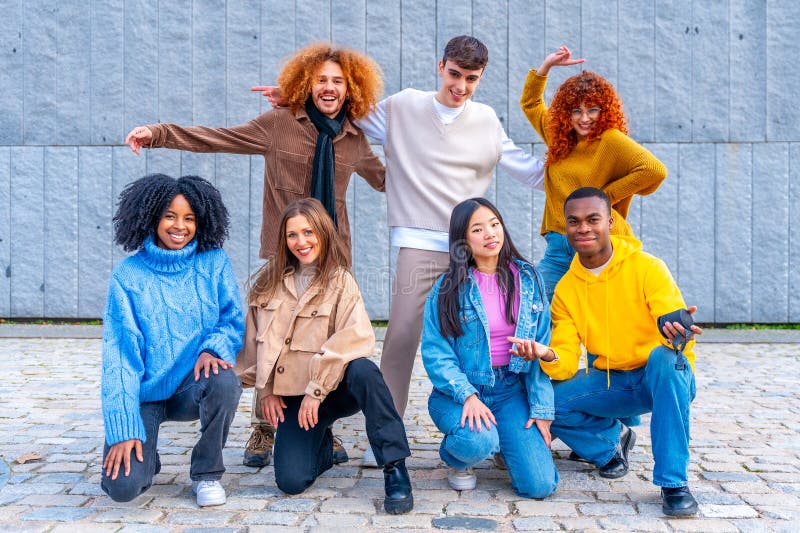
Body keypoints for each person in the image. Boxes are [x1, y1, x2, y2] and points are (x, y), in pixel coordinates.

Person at [259, 36, 546, 466]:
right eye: (454, 74)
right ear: (440, 67)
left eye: (471, 79)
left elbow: (529, 170)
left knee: (487, 333)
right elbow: (343, 110)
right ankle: (385, 438)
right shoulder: (404, 107)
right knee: (401, 338)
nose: (461, 86)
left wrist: (583, 164)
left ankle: (501, 427)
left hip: (472, 248)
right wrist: (298, 98)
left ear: (480, 77)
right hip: (420, 242)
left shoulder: (486, 120)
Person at [125, 43, 386, 468]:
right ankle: (263, 425)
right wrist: (159, 134)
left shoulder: (354, 140)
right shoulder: (279, 124)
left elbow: (388, 180)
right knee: (271, 335)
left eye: (338, 81)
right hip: (284, 253)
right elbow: (218, 139)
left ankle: (321, 423)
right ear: (306, 84)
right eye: (320, 79)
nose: (329, 87)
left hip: (333, 258)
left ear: (350, 88)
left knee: (325, 338)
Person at [235, 198, 414, 514]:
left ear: (323, 233)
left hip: (334, 390)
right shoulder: (268, 283)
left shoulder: (340, 280)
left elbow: (356, 338)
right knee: (291, 481)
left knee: (365, 370)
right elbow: (252, 345)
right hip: (293, 396)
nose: (301, 242)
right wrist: (266, 389)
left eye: (308, 232)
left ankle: (394, 467)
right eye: (292, 235)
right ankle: (322, 445)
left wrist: (316, 390)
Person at [538, 187, 702, 516]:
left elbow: (672, 321)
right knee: (549, 402)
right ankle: (611, 444)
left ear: (610, 222)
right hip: (612, 381)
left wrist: (678, 332)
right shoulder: (566, 290)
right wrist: (549, 355)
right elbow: (566, 357)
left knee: (665, 359)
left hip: (659, 377)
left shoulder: (647, 267)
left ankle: (674, 484)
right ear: (565, 226)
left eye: (593, 219)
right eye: (574, 221)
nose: (583, 228)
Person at [100, 174, 244, 507]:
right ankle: (147, 456)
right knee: (123, 488)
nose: (180, 226)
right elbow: (119, 359)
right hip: (145, 395)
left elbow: (232, 320)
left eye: (189, 218)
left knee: (224, 381)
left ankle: (207, 474)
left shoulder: (213, 262)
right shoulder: (127, 276)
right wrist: (123, 428)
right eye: (170, 216)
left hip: (190, 387)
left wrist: (212, 348)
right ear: (151, 217)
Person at [421, 198, 558, 497]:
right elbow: (436, 353)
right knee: (478, 440)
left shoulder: (528, 279)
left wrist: (541, 407)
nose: (490, 234)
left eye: (494, 224)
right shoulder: (447, 288)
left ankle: (503, 445)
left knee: (540, 485)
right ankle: (457, 458)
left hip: (510, 390)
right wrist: (467, 395)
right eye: (478, 229)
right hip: (459, 392)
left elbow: (542, 345)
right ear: (463, 241)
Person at [520, 46, 667, 301]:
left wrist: (604, 197)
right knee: (535, 302)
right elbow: (531, 103)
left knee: (605, 310)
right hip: (560, 245)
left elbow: (654, 170)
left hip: (599, 242)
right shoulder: (559, 138)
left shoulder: (610, 140)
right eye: (576, 111)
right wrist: (546, 67)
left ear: (605, 110)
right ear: (566, 113)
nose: (584, 118)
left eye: (593, 110)